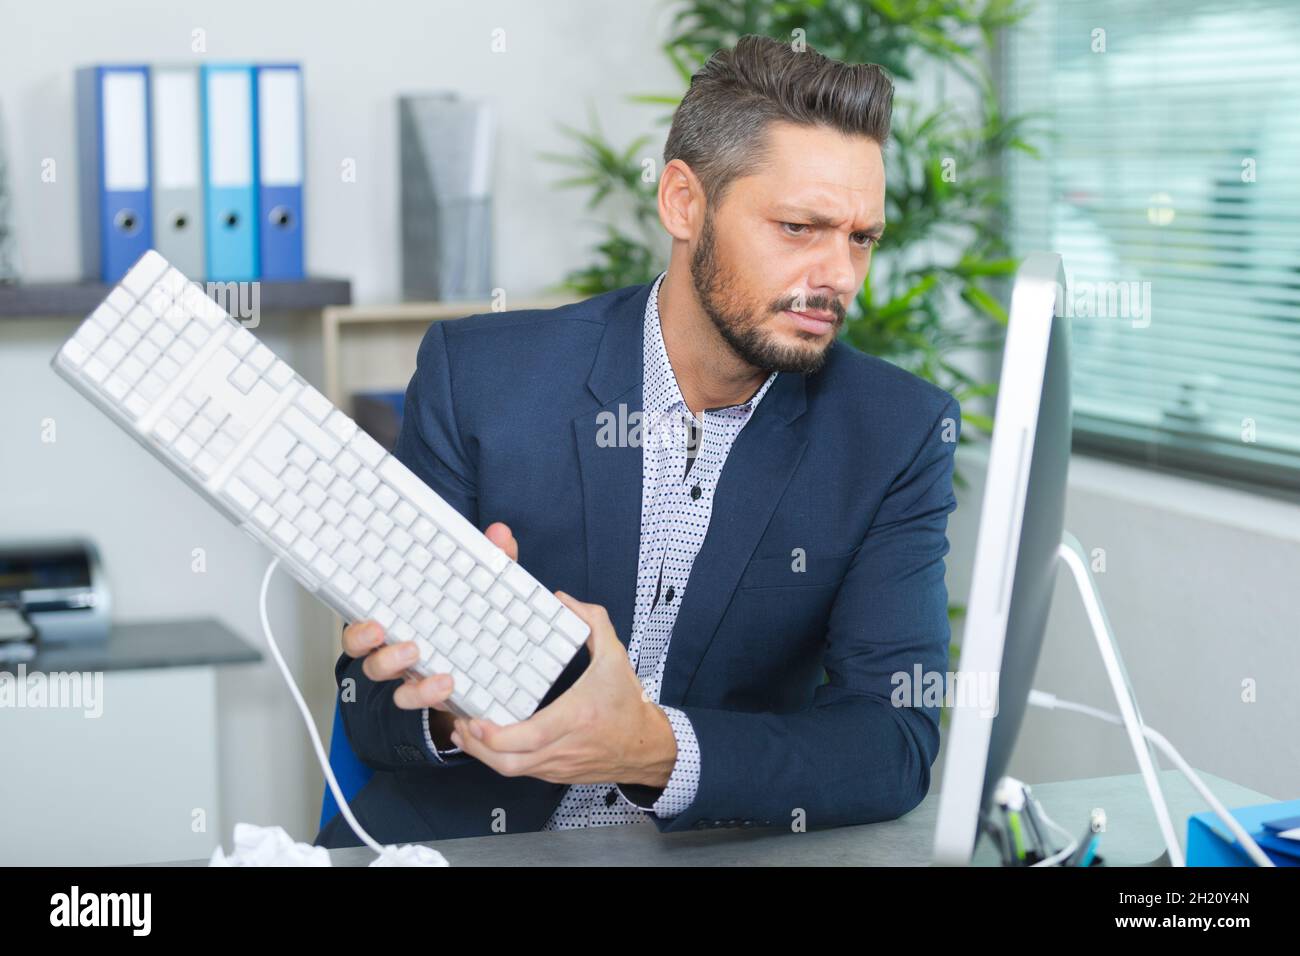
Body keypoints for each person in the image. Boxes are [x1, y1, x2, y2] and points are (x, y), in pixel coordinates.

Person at [316, 33, 960, 846]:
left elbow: (891, 743)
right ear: (684, 203)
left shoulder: (893, 433)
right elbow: (368, 705)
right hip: (464, 848)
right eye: (800, 227)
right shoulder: (481, 378)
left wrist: (656, 752)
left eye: (861, 237)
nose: (836, 274)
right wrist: (454, 706)